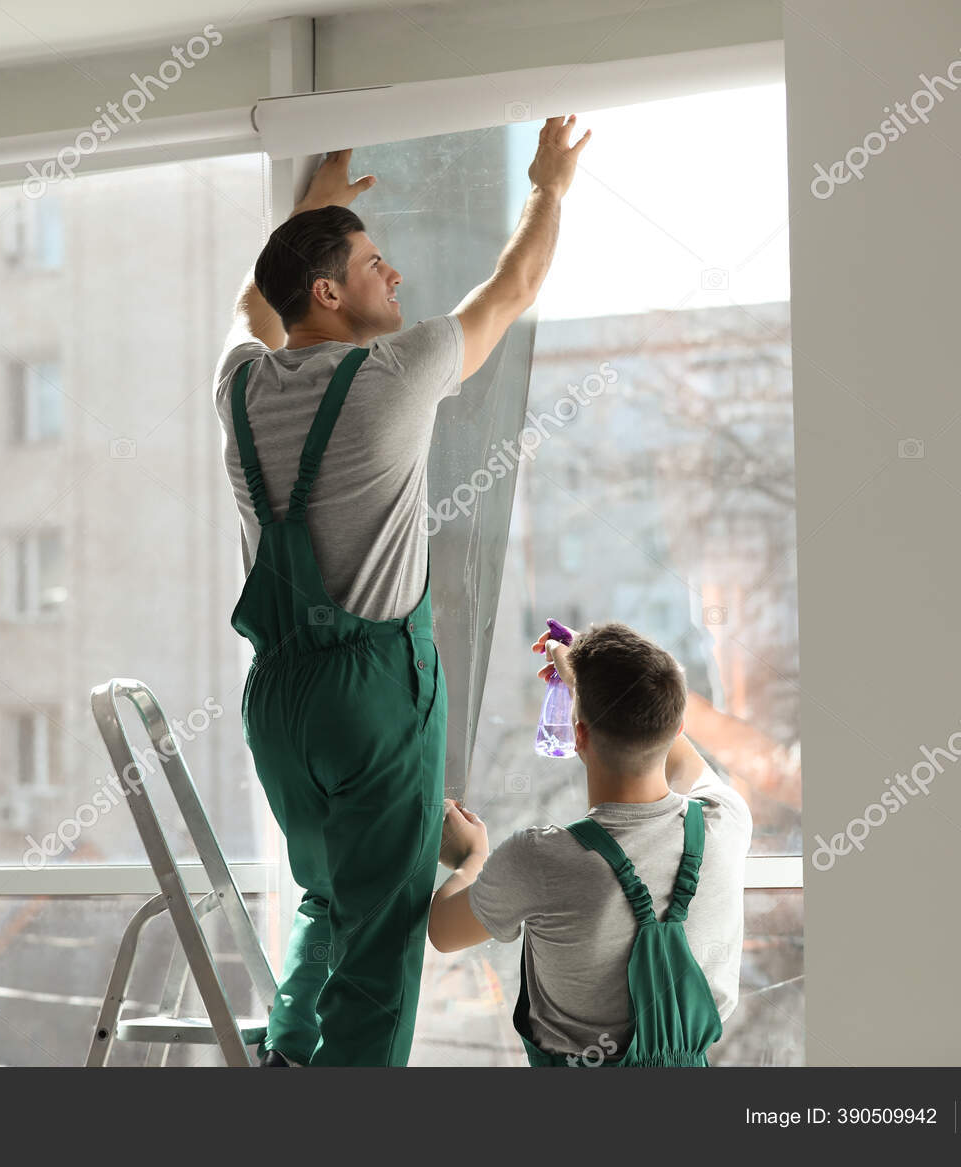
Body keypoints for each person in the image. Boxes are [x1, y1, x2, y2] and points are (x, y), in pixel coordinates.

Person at [212, 118, 591, 1066]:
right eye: (376, 261)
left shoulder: (241, 387)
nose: (399, 276)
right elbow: (517, 289)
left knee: (329, 897)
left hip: (278, 702)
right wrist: (548, 185)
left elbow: (254, 307)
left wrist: (316, 207)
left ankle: (290, 1060)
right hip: (373, 695)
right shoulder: (395, 372)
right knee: (382, 936)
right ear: (330, 291)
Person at [428, 620, 752, 1065]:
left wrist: (471, 857)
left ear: (578, 736)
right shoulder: (725, 821)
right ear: (679, 727)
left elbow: (443, 932)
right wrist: (596, 678)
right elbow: (671, 740)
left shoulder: (540, 859)